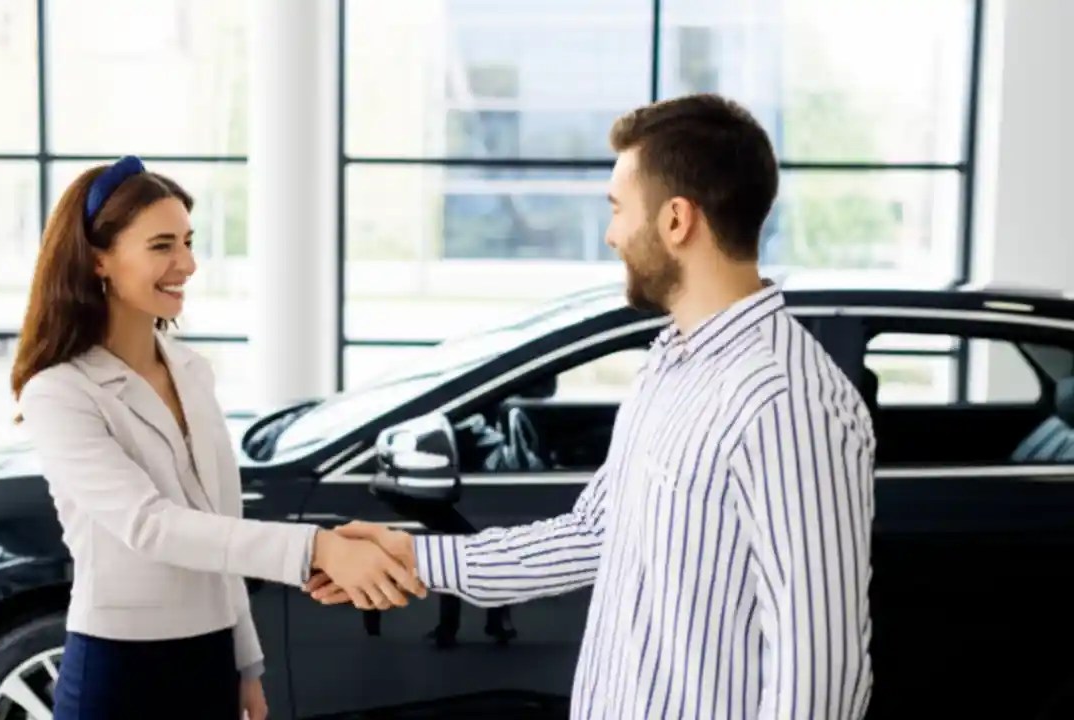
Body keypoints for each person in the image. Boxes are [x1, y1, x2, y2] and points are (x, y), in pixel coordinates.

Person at [306, 94, 877, 719]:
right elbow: (591, 535)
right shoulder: (670, 366)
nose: (610, 235)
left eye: (617, 209)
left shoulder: (783, 398)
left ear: (676, 220)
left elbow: (820, 666)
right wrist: (413, 557)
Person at [11, 156, 425, 719]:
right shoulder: (59, 393)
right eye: (161, 246)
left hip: (209, 661)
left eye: (187, 241)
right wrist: (316, 550)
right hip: (119, 670)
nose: (187, 263)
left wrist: (245, 664)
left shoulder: (191, 370)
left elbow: (218, 519)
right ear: (98, 260)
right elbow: (150, 525)